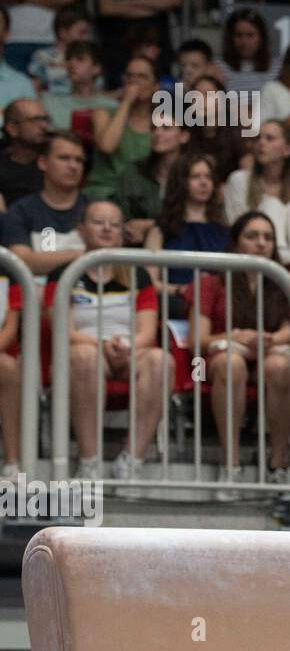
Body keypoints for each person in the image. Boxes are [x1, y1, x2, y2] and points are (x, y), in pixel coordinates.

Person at [48, 200, 167, 483]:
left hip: (129, 351)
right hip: (85, 351)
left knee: (161, 359)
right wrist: (101, 346)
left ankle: (131, 461)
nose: (106, 229)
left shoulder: (137, 274)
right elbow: (62, 330)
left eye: (114, 224)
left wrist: (126, 346)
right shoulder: (64, 273)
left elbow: (147, 332)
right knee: (84, 357)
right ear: (81, 229)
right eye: (98, 222)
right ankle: (89, 462)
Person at [184, 212, 290, 486]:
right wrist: (236, 336)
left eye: (268, 237)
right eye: (252, 236)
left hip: (268, 354)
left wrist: (270, 339)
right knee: (231, 363)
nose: (261, 243)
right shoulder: (211, 282)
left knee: (281, 366)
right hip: (216, 357)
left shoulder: (284, 281)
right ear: (235, 243)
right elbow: (196, 339)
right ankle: (231, 463)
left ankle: (278, 463)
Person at [223, 119, 290, 274]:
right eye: (258, 138)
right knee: (271, 204)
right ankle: (280, 252)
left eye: (269, 138)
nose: (261, 143)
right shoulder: (239, 180)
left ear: (287, 149)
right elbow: (237, 227)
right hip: (253, 256)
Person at [2, 131, 87, 278]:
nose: (73, 166)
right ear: (43, 163)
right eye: (64, 158)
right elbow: (21, 262)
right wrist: (85, 255)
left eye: (79, 160)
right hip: (35, 298)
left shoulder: (97, 208)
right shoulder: (21, 210)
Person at [143, 152, 229, 293]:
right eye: (195, 177)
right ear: (181, 181)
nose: (204, 182)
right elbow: (150, 282)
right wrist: (183, 290)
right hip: (174, 302)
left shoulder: (224, 230)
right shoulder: (161, 231)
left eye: (208, 177)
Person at [85, 54, 161, 201]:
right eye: (129, 76)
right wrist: (126, 102)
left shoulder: (162, 124)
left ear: (156, 87)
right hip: (103, 192)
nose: (134, 81)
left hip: (140, 197)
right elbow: (107, 145)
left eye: (142, 76)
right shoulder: (103, 113)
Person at [113, 115, 190, 245]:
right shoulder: (133, 172)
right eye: (154, 128)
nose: (158, 133)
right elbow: (121, 216)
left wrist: (152, 225)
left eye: (166, 128)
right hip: (137, 248)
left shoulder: (193, 173)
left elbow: (197, 219)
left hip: (185, 246)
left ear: (183, 136)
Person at [215, 9, 278, 93]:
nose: (244, 42)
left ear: (261, 38)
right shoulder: (218, 67)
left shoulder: (278, 68)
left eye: (250, 35)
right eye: (238, 35)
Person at [0, 97, 48, 207]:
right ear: (13, 128)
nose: (44, 126)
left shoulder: (53, 157)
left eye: (45, 119)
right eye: (35, 120)